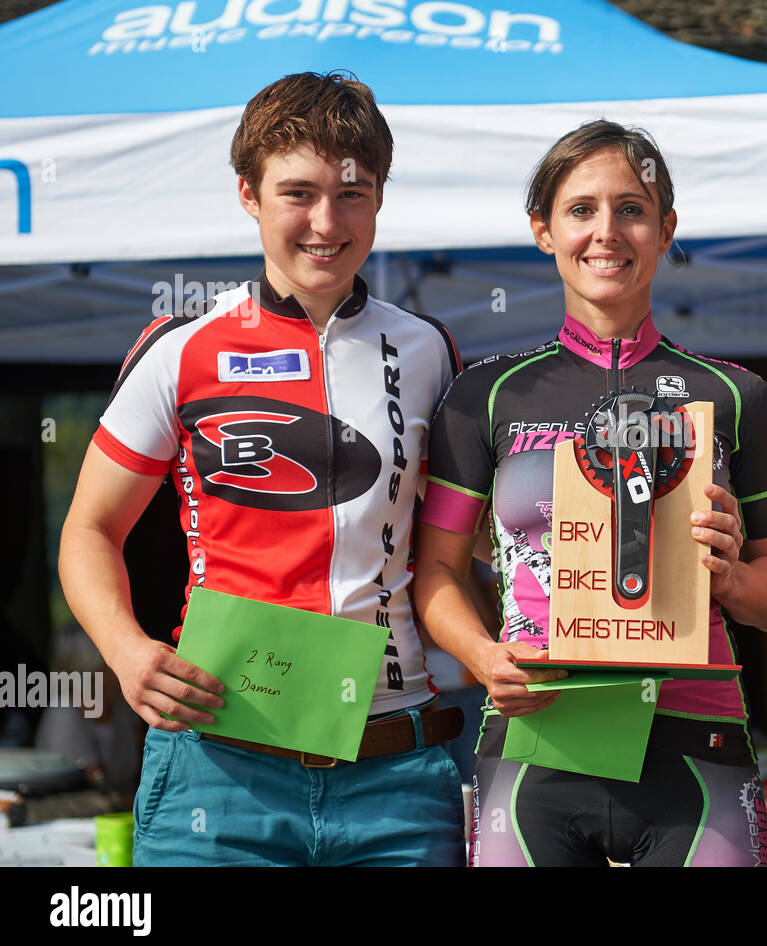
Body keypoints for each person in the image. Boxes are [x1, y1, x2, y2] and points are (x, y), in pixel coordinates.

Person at [58, 72, 466, 866]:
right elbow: (89, 529)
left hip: (397, 774)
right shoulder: (179, 349)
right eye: (298, 193)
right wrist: (127, 650)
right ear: (247, 193)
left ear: (379, 198)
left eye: (351, 194)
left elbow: (467, 541)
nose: (325, 222)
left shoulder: (429, 350)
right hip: (218, 770)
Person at [414, 120, 767, 866]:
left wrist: (733, 574)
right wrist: (484, 656)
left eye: (632, 208)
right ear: (543, 231)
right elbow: (434, 573)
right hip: (538, 732)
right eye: (581, 209)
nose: (606, 232)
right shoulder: (483, 397)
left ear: (666, 230)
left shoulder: (737, 395)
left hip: (695, 738)